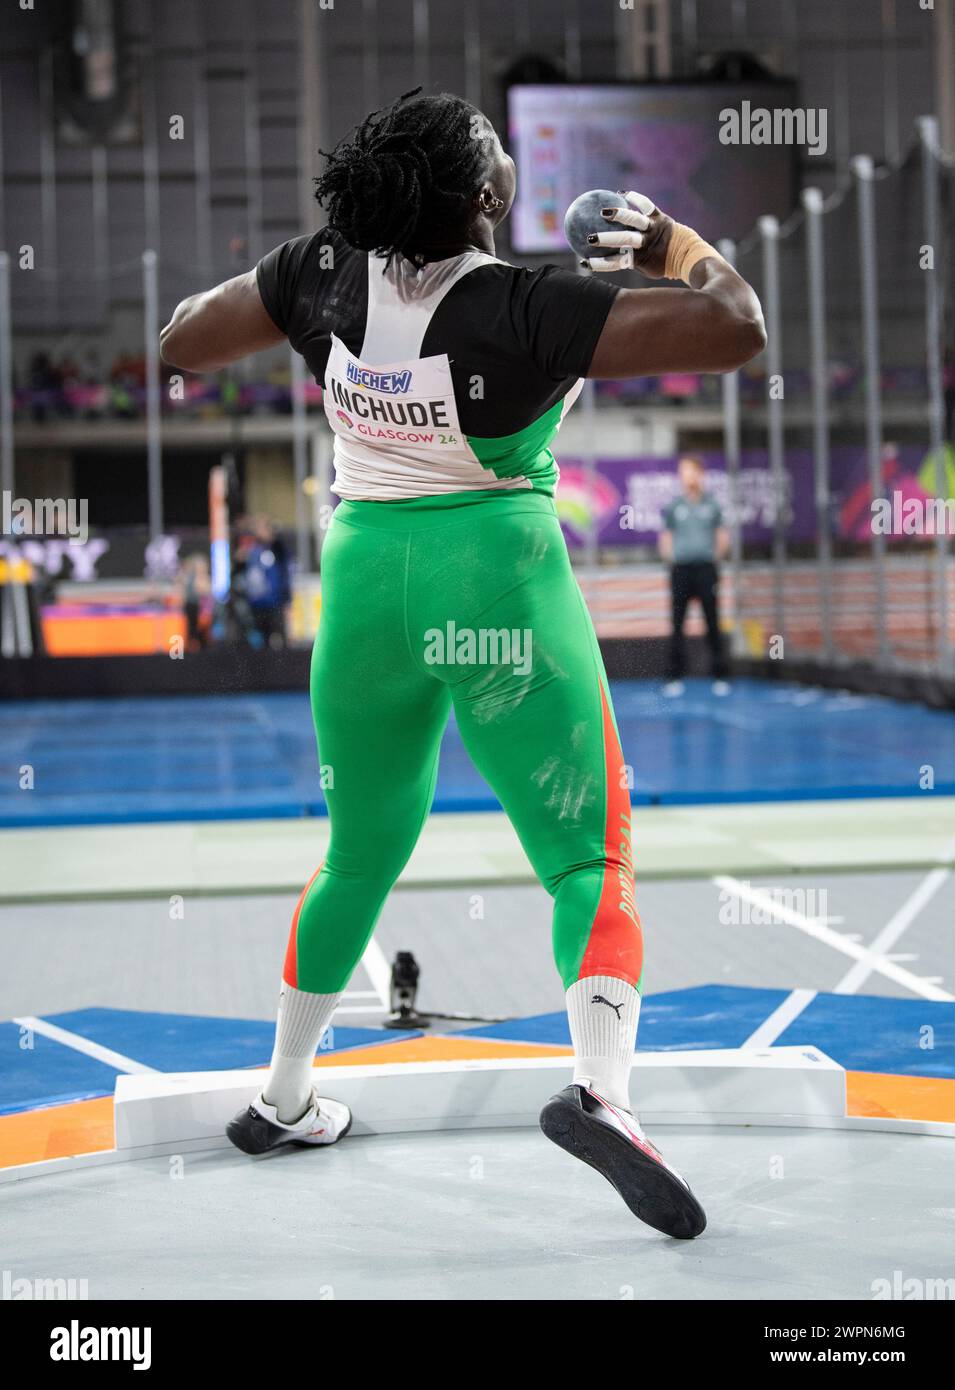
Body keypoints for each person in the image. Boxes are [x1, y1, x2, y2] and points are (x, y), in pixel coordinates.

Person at [160, 88, 765, 1240]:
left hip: (363, 588)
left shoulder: (315, 272)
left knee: (355, 857)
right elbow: (737, 328)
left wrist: (297, 283)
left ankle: (283, 1094)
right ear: (487, 195)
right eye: (496, 149)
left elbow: (182, 338)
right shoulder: (531, 307)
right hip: (495, 577)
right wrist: (670, 243)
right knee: (589, 854)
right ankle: (602, 1093)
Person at [660, 454, 732, 696]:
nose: (685, 476)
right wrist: (673, 560)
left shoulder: (712, 505)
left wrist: (713, 559)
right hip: (681, 571)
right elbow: (666, 537)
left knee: (712, 622)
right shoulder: (675, 506)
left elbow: (722, 536)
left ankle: (720, 675)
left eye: (689, 471)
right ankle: (674, 676)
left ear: (699, 474)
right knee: (677, 623)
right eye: (682, 472)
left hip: (705, 570)